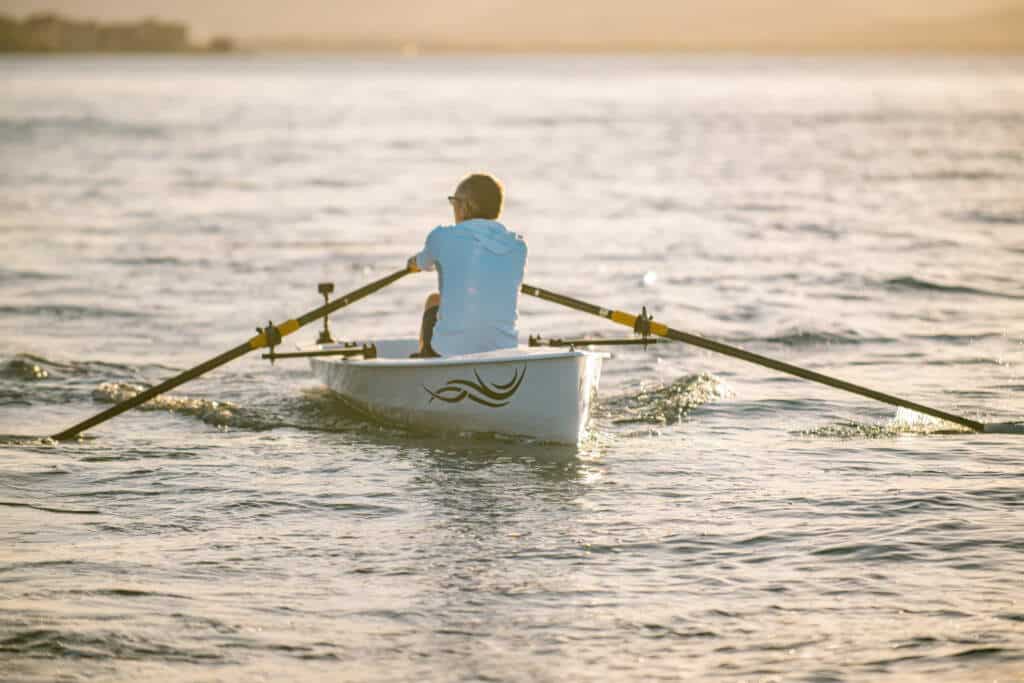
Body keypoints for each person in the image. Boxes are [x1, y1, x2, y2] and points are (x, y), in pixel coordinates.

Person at [407, 173, 527, 357]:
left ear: (465, 206)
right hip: (504, 352)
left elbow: (422, 263)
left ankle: (426, 358)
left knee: (434, 300)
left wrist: (412, 264)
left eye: (454, 202)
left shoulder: (441, 237)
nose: (453, 208)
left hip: (448, 352)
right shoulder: (518, 246)